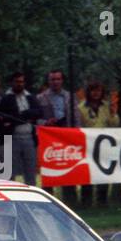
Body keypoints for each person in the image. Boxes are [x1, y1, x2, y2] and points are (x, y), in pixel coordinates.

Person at [37, 69, 79, 203]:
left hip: (67, 135)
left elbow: (76, 116)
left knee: (68, 168)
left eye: (58, 79)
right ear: (48, 81)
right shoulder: (40, 98)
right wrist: (45, 122)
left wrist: (77, 132)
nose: (55, 82)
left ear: (62, 80)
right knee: (50, 170)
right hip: (49, 137)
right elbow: (36, 119)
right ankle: (48, 201)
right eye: (53, 79)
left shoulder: (70, 96)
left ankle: (71, 201)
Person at [79, 81, 118, 208]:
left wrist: (113, 113)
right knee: (87, 173)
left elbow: (114, 124)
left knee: (103, 173)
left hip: (104, 144)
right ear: (89, 93)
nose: (96, 93)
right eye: (93, 91)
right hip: (88, 144)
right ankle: (86, 201)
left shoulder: (106, 106)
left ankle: (102, 201)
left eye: (98, 91)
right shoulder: (81, 107)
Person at [0, 72, 42, 186]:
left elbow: (39, 112)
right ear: (12, 83)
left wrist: (23, 114)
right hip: (12, 138)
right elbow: (6, 117)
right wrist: (25, 117)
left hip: (29, 138)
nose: (19, 84)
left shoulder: (30, 97)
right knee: (10, 172)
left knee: (30, 172)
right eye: (17, 82)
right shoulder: (6, 98)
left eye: (21, 82)